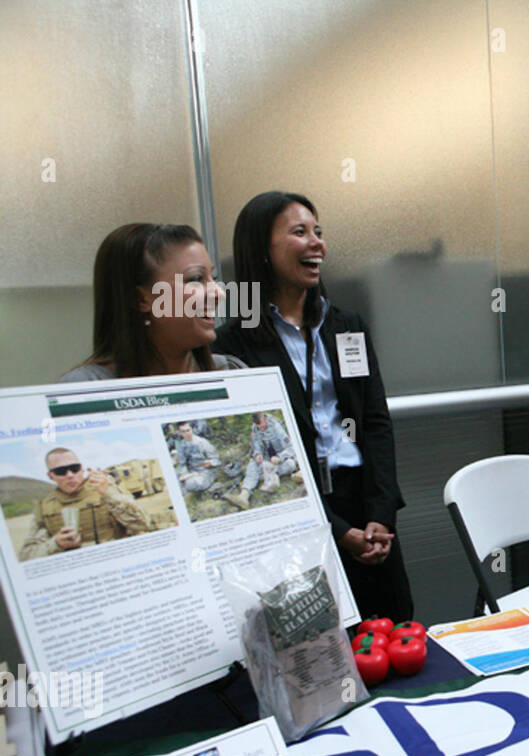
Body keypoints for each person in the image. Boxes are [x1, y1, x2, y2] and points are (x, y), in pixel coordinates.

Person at [213, 191, 412, 621]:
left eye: (318, 232)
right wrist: (337, 531)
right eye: (299, 232)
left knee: (393, 630)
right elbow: (257, 450)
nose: (317, 243)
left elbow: (375, 423)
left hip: (364, 502)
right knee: (323, 648)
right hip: (298, 514)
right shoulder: (235, 343)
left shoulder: (346, 325)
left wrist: (381, 514)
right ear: (260, 250)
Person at [61, 223, 246, 382]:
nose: (219, 293)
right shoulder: (83, 389)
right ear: (140, 299)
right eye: (196, 279)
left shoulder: (232, 372)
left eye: (213, 277)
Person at [20, 448, 151, 560]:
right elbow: (26, 555)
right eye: (61, 471)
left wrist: (109, 495)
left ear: (82, 469)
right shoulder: (45, 505)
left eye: (74, 468)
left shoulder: (105, 487)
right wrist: (56, 544)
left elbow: (143, 523)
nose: (70, 475)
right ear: (50, 476)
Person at [226, 412, 300, 509]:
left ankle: (267, 477)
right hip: (267, 459)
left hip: (282, 458)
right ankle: (244, 496)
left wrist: (279, 457)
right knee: (252, 465)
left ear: (265, 419)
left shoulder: (276, 427)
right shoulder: (255, 429)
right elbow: (256, 446)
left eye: (261, 425)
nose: (260, 428)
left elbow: (291, 448)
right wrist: (258, 455)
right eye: (258, 426)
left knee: (290, 464)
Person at [174, 422, 222, 494]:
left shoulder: (202, 442)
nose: (187, 433)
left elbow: (217, 460)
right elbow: (182, 464)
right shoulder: (181, 446)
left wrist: (210, 463)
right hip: (191, 473)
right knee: (174, 481)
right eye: (183, 431)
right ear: (180, 433)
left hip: (205, 473)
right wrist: (182, 474)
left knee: (190, 484)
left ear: (191, 429)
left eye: (188, 430)